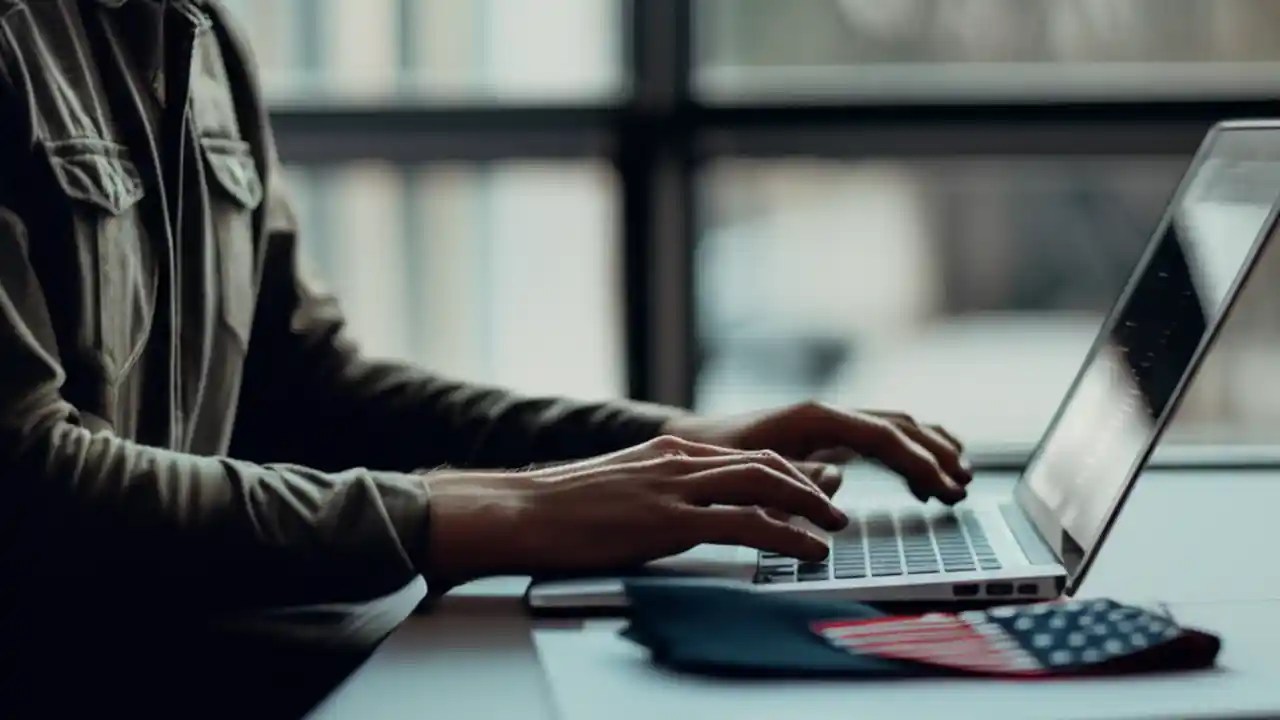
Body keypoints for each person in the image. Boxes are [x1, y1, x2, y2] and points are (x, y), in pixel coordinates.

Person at [0, 0, 971, 714]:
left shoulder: (201, 37)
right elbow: (29, 484)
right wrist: (496, 510)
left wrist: (668, 445)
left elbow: (303, 384)